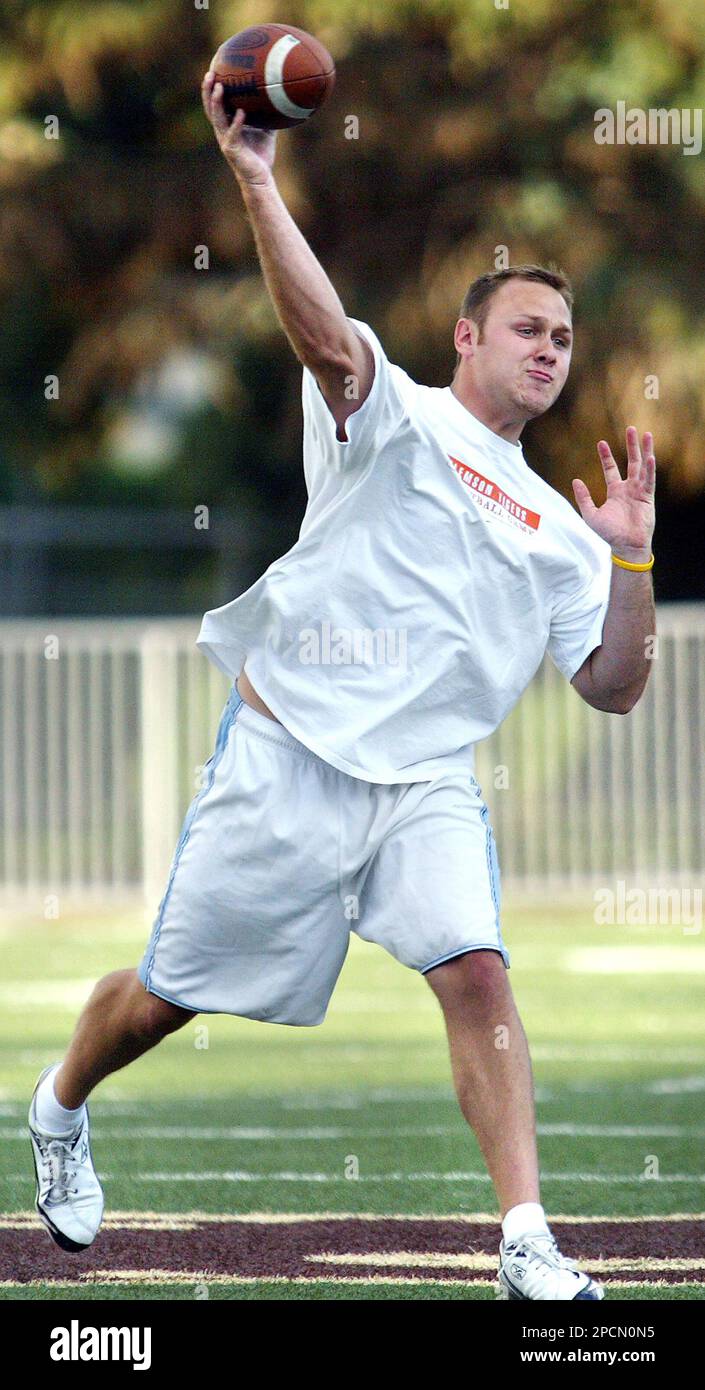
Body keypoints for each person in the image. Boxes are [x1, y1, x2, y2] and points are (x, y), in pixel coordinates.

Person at [28, 74, 657, 1301]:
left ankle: (524, 1235)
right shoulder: (393, 412)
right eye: (527, 327)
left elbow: (615, 685)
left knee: (476, 966)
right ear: (468, 336)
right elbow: (321, 330)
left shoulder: (563, 527)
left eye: (565, 339)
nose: (549, 349)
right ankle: (58, 1105)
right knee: (160, 1003)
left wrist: (631, 555)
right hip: (290, 754)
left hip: (423, 782)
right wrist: (256, 174)